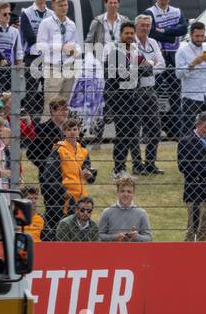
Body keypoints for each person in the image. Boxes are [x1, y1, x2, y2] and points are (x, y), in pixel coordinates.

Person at [101, 20, 148, 177]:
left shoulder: (135, 51)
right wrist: (136, 70)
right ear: (120, 35)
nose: (129, 36)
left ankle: (129, 167)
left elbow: (148, 69)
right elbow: (116, 77)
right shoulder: (115, 53)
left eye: (131, 33)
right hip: (120, 102)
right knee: (122, 136)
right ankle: (118, 169)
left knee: (132, 136)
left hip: (134, 102)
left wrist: (138, 69)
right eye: (126, 33)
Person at [177, 111, 206, 242]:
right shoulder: (186, 141)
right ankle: (187, 256)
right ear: (198, 124)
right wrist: (205, 167)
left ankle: (199, 254)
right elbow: (183, 166)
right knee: (193, 230)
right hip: (195, 192)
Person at [35, 0, 80, 117]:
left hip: (69, 67)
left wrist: (75, 50)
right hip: (53, 68)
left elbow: (76, 44)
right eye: (60, 5)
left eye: (65, 5)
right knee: (50, 105)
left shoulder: (71, 24)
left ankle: (62, 134)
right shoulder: (46, 23)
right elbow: (40, 46)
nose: (64, 8)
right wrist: (60, 47)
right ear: (53, 6)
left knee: (64, 106)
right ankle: (46, 135)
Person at [132, 13, 165, 174]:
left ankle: (150, 163)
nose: (145, 28)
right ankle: (137, 165)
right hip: (136, 91)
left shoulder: (153, 42)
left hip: (150, 90)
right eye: (142, 25)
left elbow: (162, 64)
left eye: (147, 25)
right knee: (134, 129)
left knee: (155, 128)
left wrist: (148, 65)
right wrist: (150, 65)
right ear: (136, 26)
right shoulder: (131, 44)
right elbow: (134, 67)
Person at [29, 98, 71, 222]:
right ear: (53, 110)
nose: (65, 113)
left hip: (68, 177)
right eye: (61, 110)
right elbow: (31, 153)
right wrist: (47, 166)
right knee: (54, 210)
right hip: (50, 179)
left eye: (66, 110)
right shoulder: (43, 129)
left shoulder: (69, 130)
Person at [175, 20, 206, 133]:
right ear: (190, 35)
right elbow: (178, 74)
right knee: (187, 128)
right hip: (191, 95)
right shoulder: (182, 51)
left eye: (202, 36)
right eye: (197, 36)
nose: (200, 39)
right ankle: (185, 149)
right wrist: (193, 63)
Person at [55, 118, 96, 216]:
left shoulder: (83, 151)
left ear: (79, 130)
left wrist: (89, 174)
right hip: (68, 197)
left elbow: (90, 175)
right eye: (68, 130)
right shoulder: (59, 150)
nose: (72, 132)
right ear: (64, 132)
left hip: (83, 197)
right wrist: (63, 191)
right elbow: (51, 176)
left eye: (74, 129)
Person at [97, 175, 153, 242]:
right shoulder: (107, 212)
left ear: (133, 194)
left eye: (129, 192)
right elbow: (99, 235)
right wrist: (114, 237)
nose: (125, 194)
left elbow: (149, 238)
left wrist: (137, 237)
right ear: (117, 192)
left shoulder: (141, 213)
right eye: (122, 191)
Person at [0, 1, 23, 69]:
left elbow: (19, 52)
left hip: (9, 70)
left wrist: (19, 70)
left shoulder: (14, 31)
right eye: (5, 14)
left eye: (9, 14)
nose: (8, 16)